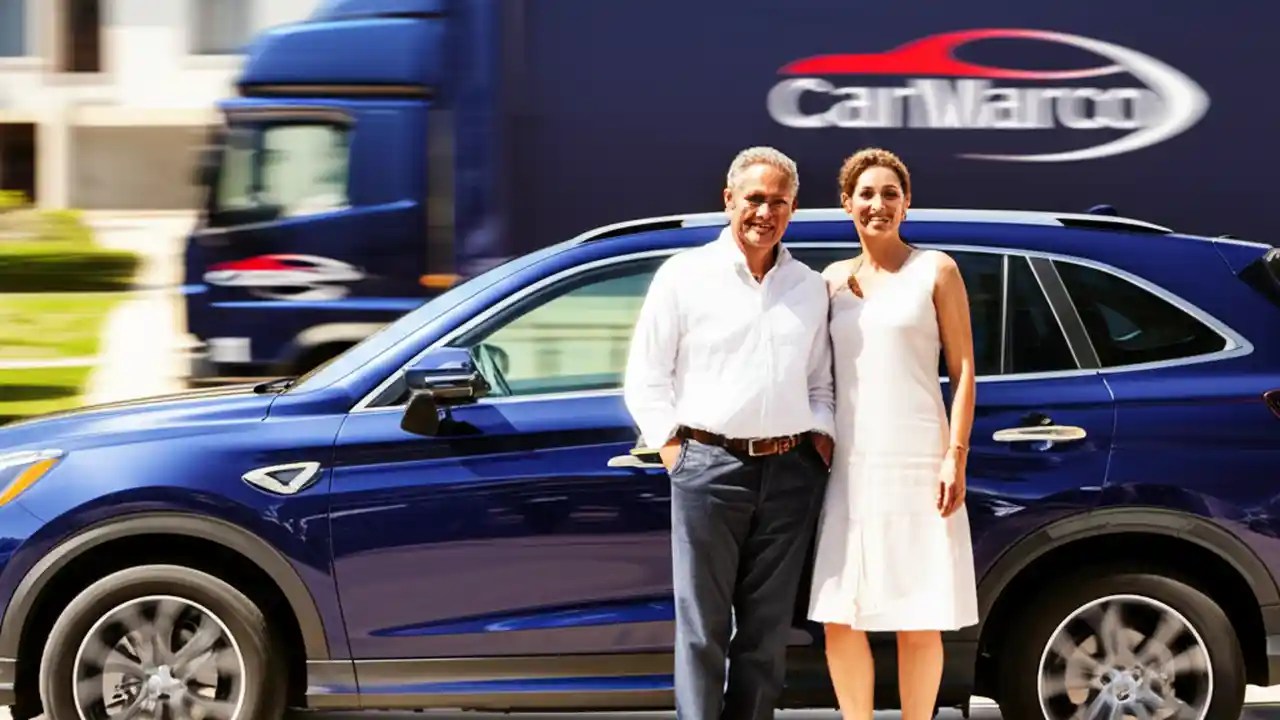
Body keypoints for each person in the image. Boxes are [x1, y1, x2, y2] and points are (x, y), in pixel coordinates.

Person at [623, 146, 836, 720]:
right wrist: (677, 453)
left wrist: (821, 440)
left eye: (780, 202)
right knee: (702, 631)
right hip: (708, 470)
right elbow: (646, 377)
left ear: (794, 209)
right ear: (729, 201)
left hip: (791, 474)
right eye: (755, 199)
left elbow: (821, 383)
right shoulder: (685, 276)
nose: (766, 212)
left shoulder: (809, 286)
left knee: (765, 636)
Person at [807, 147, 979, 720]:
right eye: (866, 194)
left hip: (917, 461)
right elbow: (816, 375)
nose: (877, 204)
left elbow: (964, 371)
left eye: (890, 194)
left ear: (906, 204)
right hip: (849, 467)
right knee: (840, 613)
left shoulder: (937, 269)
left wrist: (954, 455)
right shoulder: (831, 281)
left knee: (917, 613)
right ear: (846, 204)